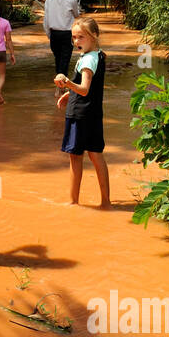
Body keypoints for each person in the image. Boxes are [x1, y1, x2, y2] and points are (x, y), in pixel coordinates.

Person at [55, 16, 110, 208]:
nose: (76, 42)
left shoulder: (87, 60)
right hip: (93, 113)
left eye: (81, 37)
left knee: (75, 157)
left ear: (94, 35)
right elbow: (90, 89)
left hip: (79, 115)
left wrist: (67, 83)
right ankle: (106, 202)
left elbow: (85, 88)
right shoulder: (99, 55)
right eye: (74, 38)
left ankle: (73, 201)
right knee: (96, 154)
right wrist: (70, 94)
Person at [43, 0, 82, 89]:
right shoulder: (72, 0)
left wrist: (49, 35)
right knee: (64, 60)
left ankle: (60, 85)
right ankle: (61, 87)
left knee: (58, 59)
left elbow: (46, 20)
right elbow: (76, 14)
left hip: (54, 34)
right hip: (67, 34)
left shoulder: (49, 1)